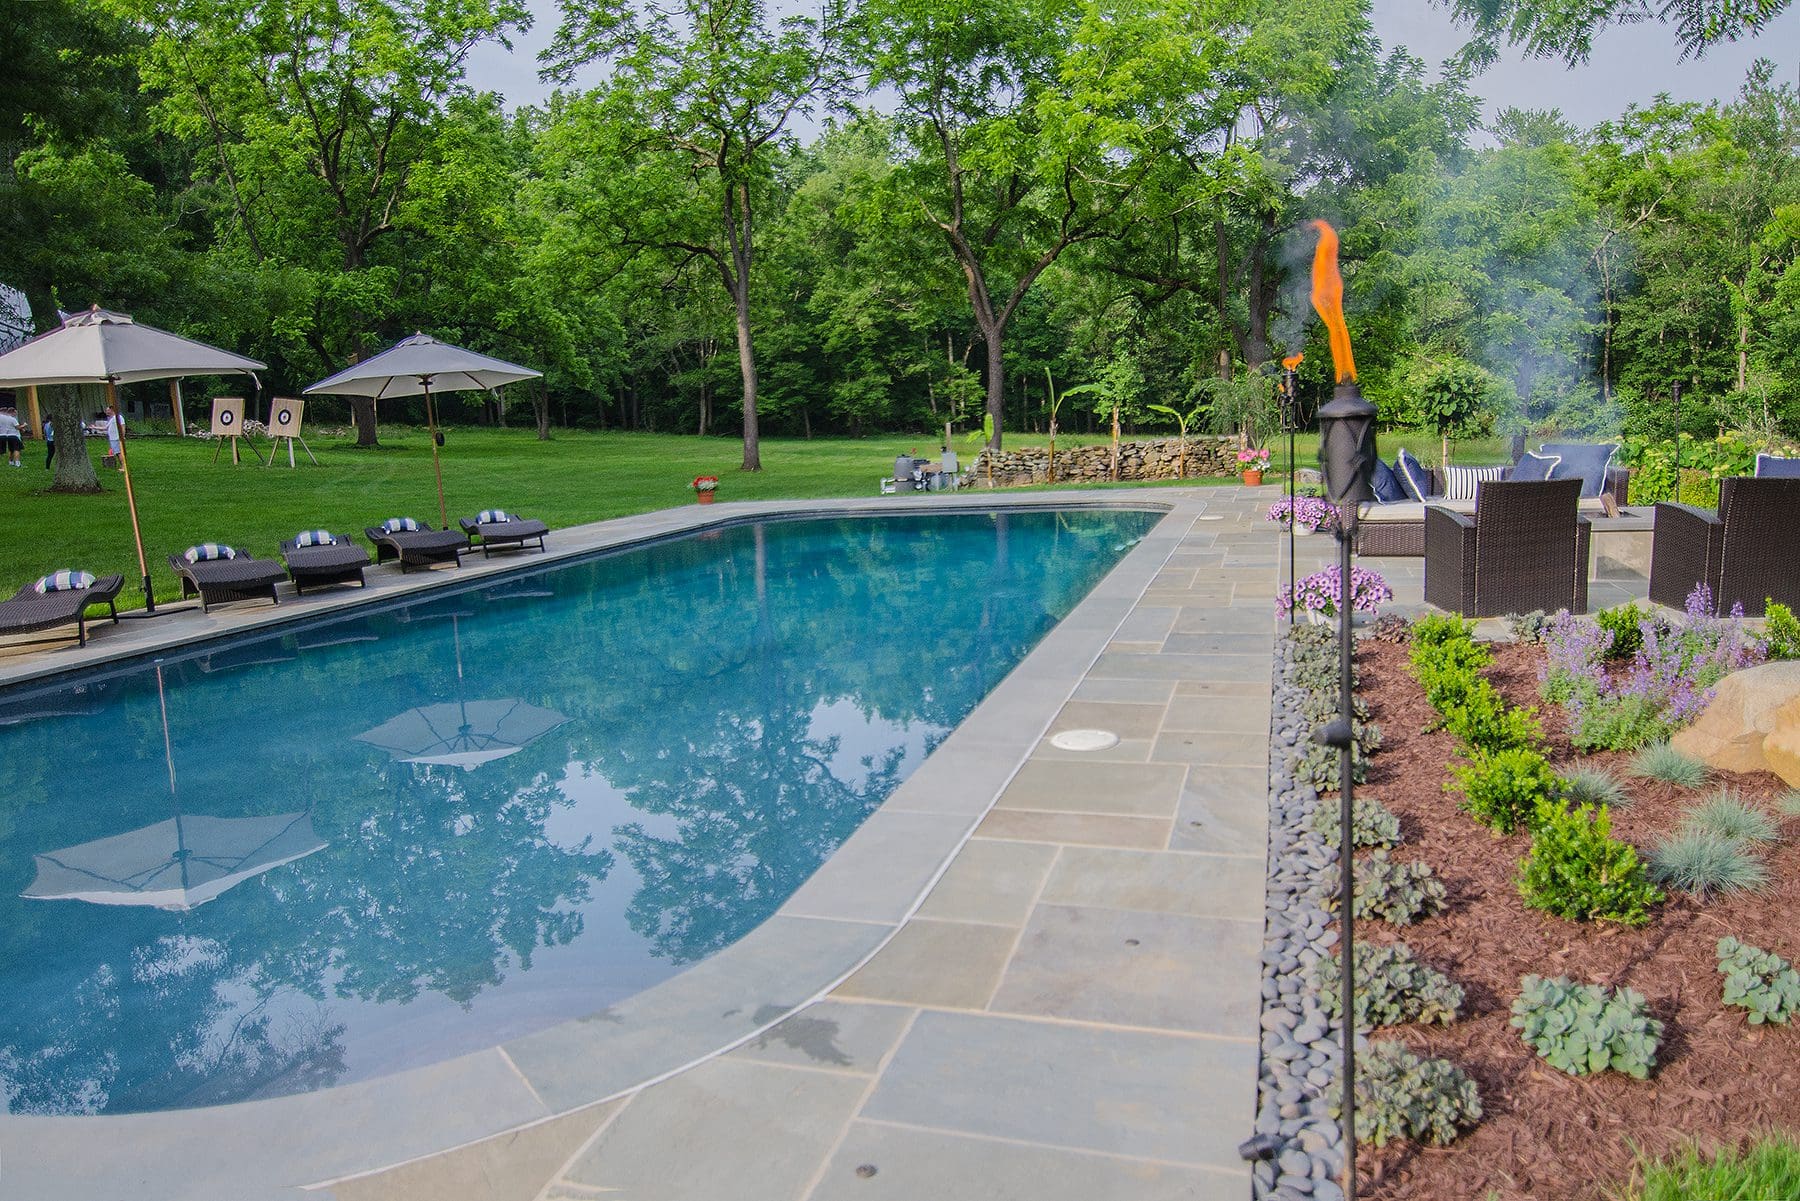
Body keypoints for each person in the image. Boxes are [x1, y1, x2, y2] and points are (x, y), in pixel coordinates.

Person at [103, 405, 124, 469]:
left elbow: (123, 426)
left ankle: (123, 467)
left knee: (119, 452)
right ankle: (122, 466)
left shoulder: (119, 417)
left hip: (117, 438)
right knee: (117, 453)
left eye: (108, 410)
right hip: (113, 438)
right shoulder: (112, 419)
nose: (106, 411)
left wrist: (122, 436)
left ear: (112, 410)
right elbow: (105, 428)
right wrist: (94, 427)